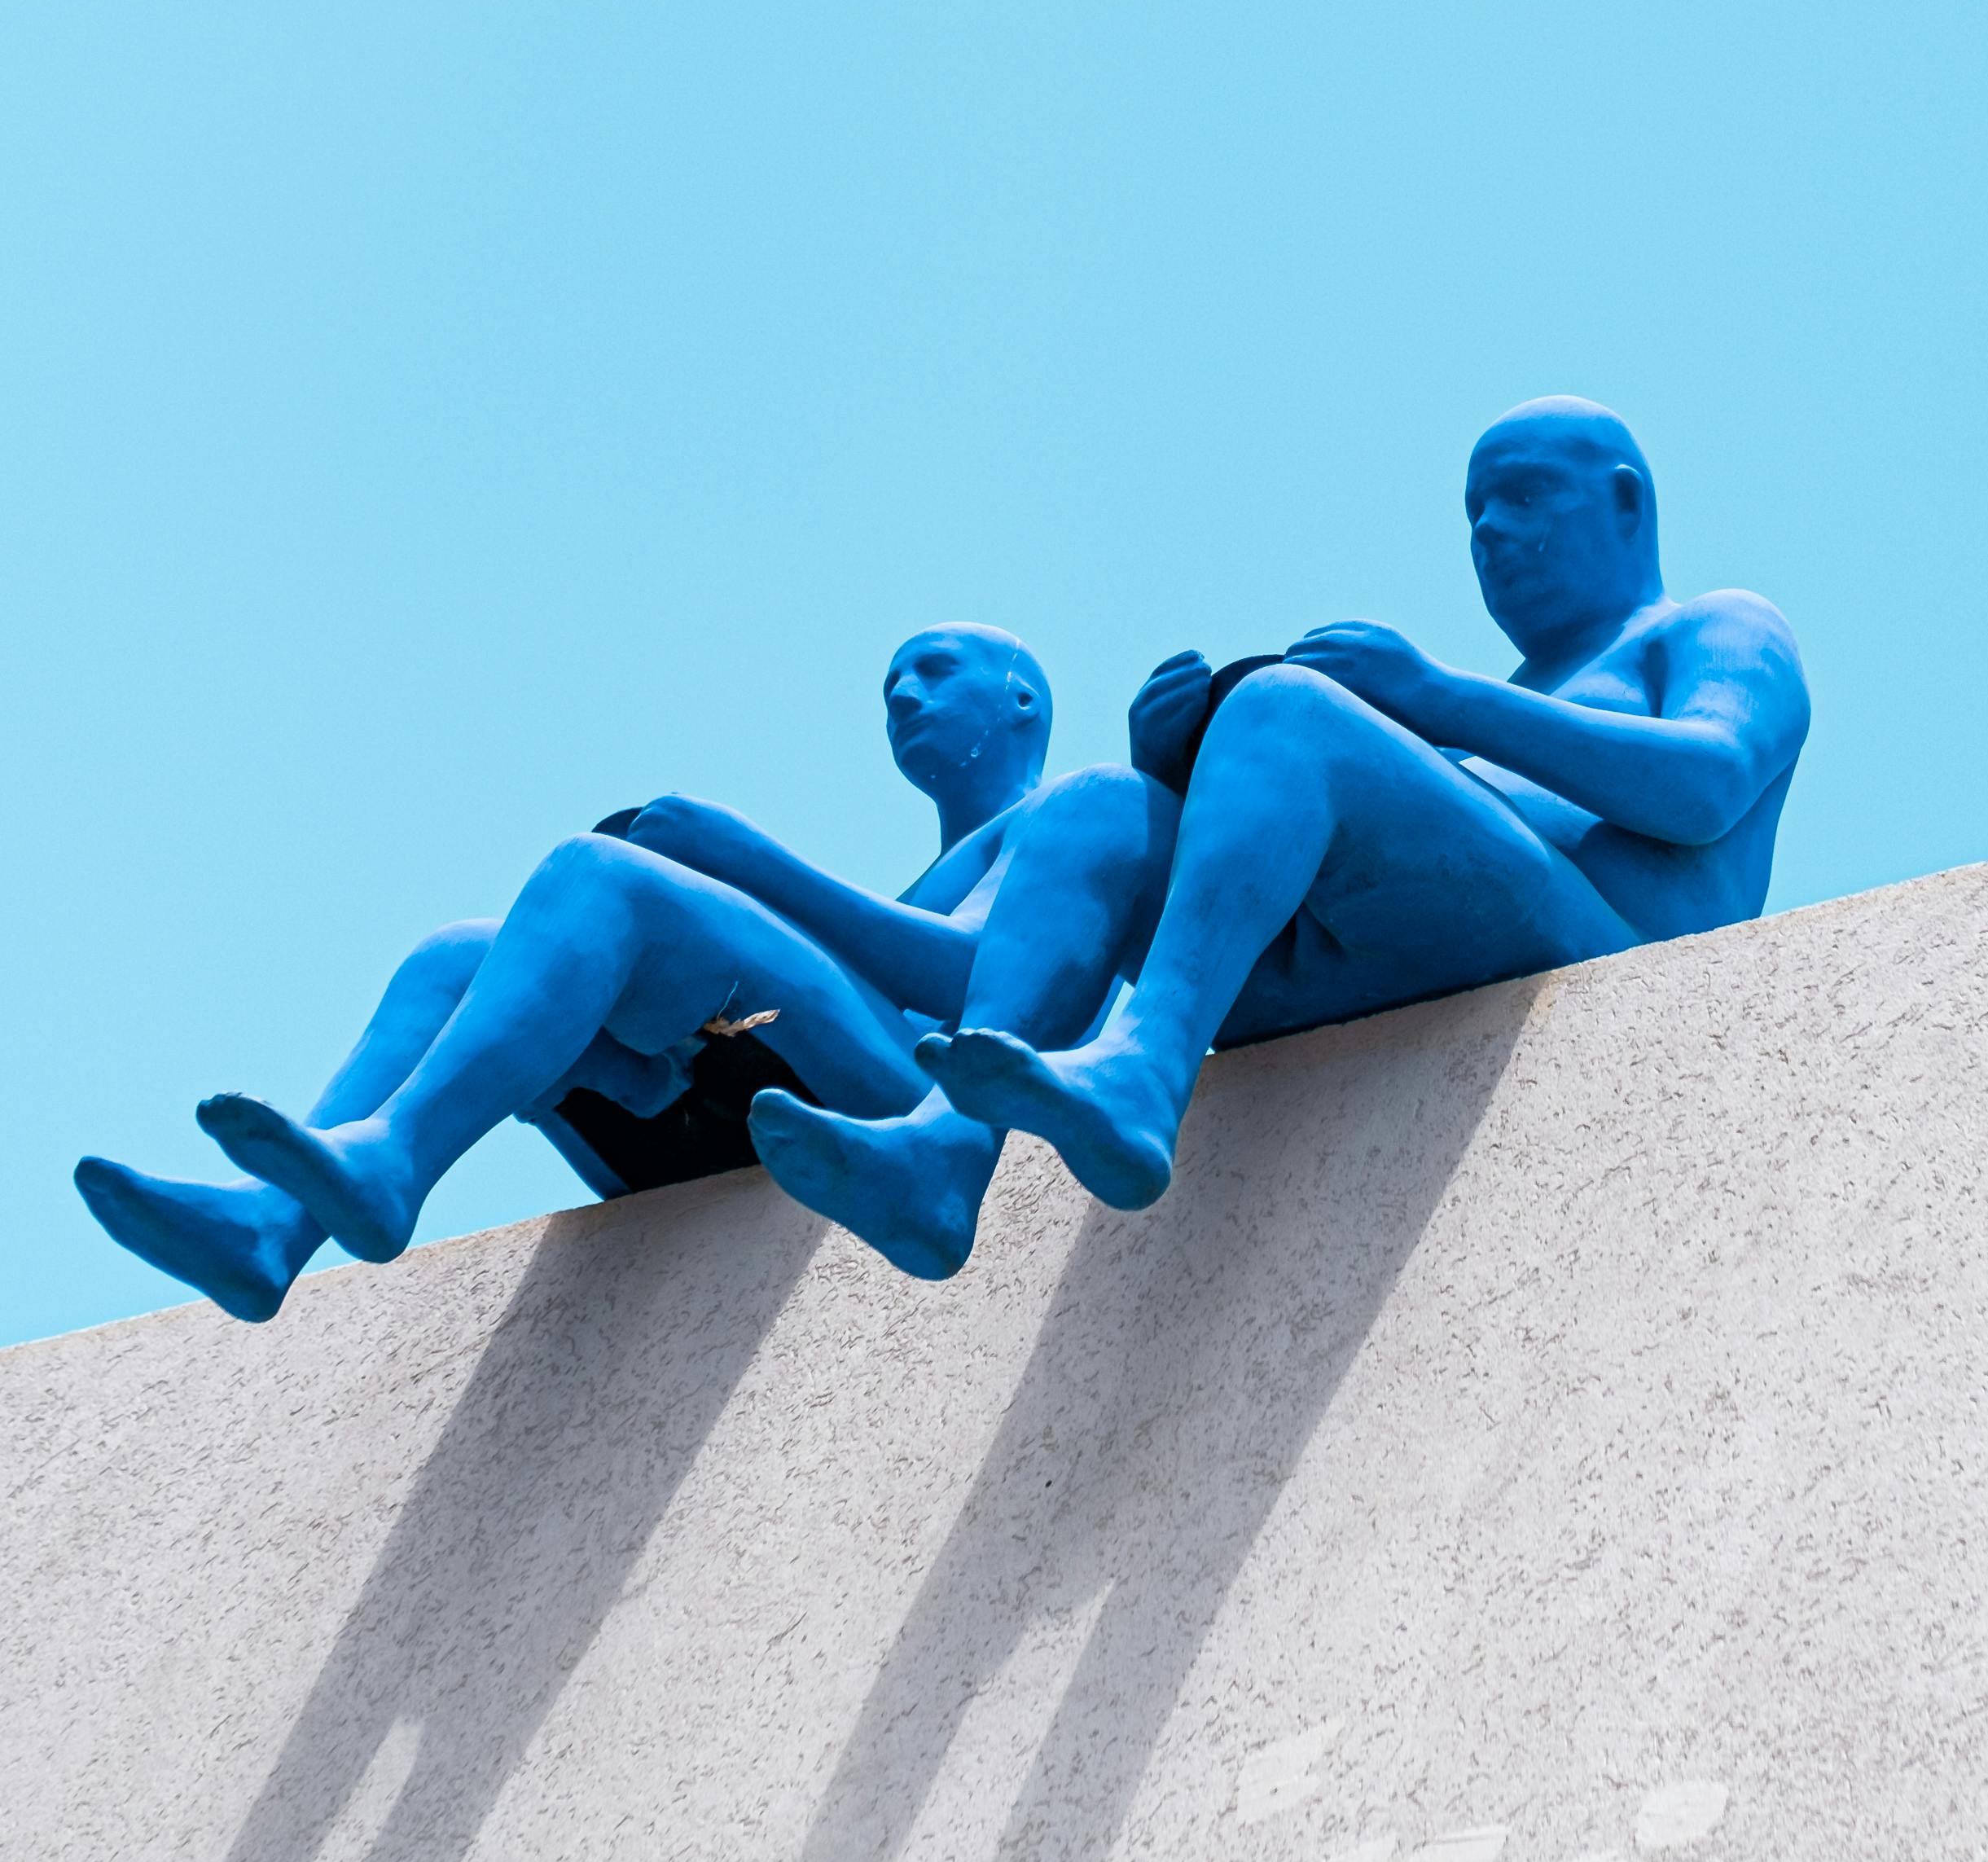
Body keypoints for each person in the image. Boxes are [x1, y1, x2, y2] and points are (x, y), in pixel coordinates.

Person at [753, 398, 1809, 1236]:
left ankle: (1146, 1065)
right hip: (1391, 961)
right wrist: (1182, 764)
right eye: (1475, 510)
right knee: (1102, 808)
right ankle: (945, 1152)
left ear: (1627, 505)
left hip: (1606, 950)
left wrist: (1431, 697)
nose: (1492, 531)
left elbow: (1707, 784)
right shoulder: (1503, 702)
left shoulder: (1717, 628)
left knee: (1285, 708)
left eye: (1525, 497)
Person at [73, 626, 1171, 1314]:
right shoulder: (932, 867)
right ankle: (276, 1225)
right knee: (456, 956)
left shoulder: (1067, 815)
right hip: (775, 1104)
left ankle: (395, 1162)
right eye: (891, 682)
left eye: (935, 672)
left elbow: (972, 983)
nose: (903, 696)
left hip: (911, 1107)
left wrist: (743, 861)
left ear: (1021, 697)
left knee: (598, 877)